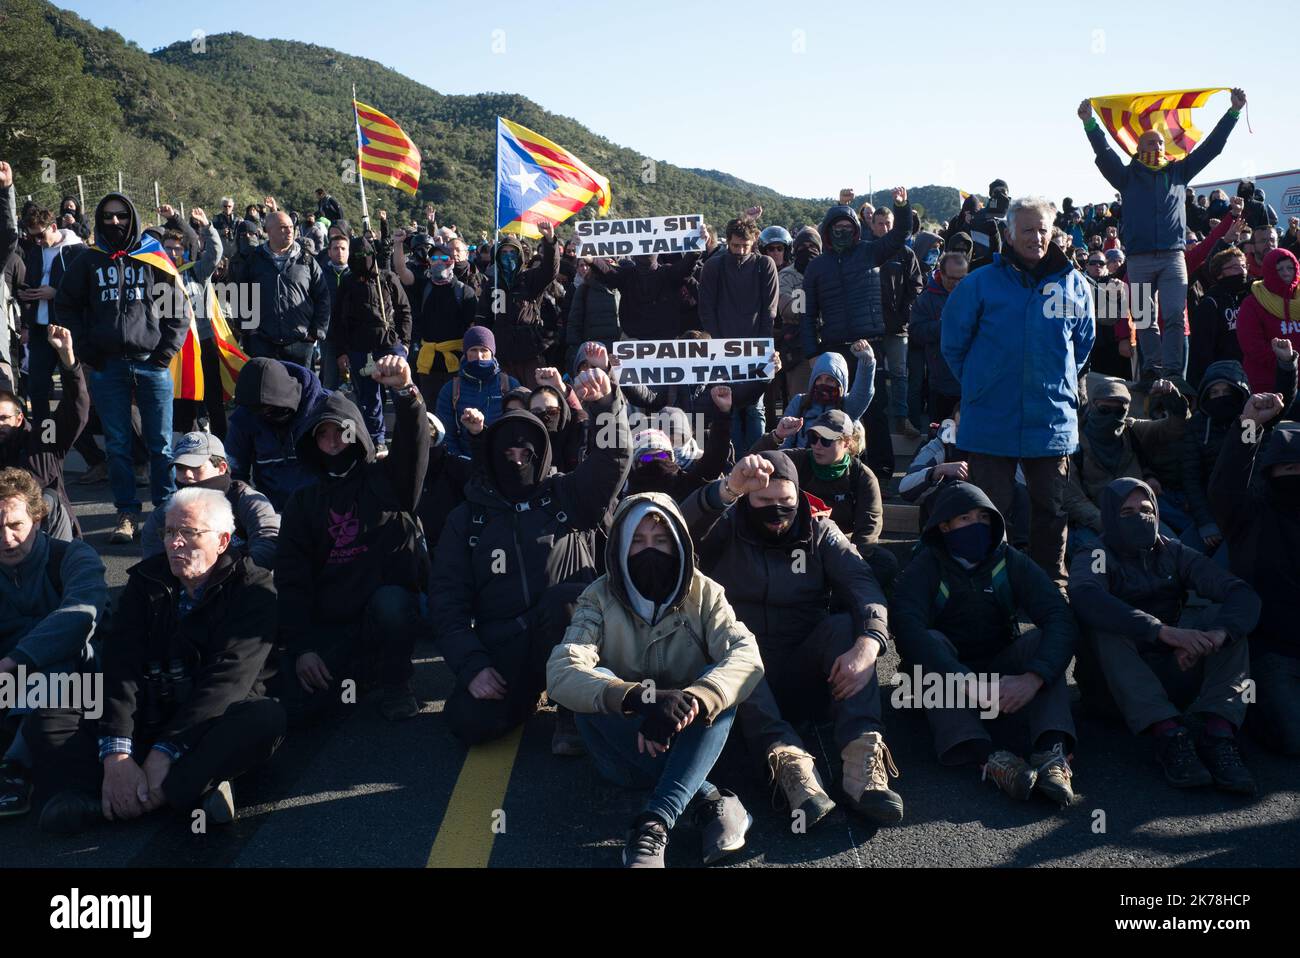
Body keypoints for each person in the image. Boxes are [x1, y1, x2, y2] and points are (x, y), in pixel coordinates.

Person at [35, 487, 285, 834]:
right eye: (169, 532)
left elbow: (227, 682)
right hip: (147, 711)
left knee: (264, 718)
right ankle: (180, 791)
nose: (175, 543)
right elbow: (121, 663)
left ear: (223, 541)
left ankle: (115, 803)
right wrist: (117, 753)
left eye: (188, 533)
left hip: (203, 722)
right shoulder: (146, 579)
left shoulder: (253, 588)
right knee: (55, 700)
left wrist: (166, 751)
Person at [683, 451, 901, 826]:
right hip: (744, 675)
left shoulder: (820, 532)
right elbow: (679, 530)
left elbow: (862, 584)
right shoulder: (727, 525)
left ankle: (860, 758)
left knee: (847, 627)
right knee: (725, 645)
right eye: (764, 501)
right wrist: (726, 489)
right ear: (748, 499)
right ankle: (789, 763)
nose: (776, 511)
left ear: (799, 497)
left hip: (805, 666)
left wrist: (871, 643)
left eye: (785, 502)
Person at [546, 493, 764, 867]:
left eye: (661, 541)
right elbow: (562, 671)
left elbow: (747, 656)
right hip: (624, 751)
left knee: (720, 686)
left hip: (692, 737)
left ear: (679, 543)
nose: (650, 550)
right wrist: (638, 699)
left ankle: (654, 823)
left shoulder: (705, 592)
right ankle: (710, 800)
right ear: (618, 547)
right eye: (638, 541)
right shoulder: (598, 596)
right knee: (591, 682)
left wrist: (694, 698)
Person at [433, 365, 630, 747]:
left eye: (527, 451)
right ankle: (528, 695)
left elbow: (614, 458)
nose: (518, 459)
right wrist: (473, 665)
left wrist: (607, 405)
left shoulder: (567, 495)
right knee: (468, 723)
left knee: (568, 599)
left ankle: (571, 709)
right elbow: (446, 600)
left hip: (573, 637)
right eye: (508, 451)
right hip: (505, 642)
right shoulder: (467, 518)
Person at [891, 481, 1078, 805]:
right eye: (965, 519)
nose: (976, 526)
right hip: (945, 680)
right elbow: (908, 630)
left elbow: (1058, 616)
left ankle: (1051, 752)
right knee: (931, 646)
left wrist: (1032, 678)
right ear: (944, 525)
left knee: (1042, 643)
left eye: (983, 518)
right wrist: (964, 682)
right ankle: (988, 757)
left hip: (999, 673)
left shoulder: (1011, 561)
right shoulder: (924, 565)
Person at [941, 196, 1095, 588]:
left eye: (1043, 229)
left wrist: (1054, 384)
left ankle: (1049, 588)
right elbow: (953, 344)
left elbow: (1082, 345)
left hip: (1051, 419)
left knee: (1052, 510)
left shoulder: (1075, 284)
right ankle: (989, 588)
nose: (1037, 237)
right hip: (990, 419)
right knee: (989, 510)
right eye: (1027, 229)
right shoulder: (978, 283)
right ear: (1009, 233)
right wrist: (983, 384)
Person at [1068, 477, 1259, 794]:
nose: (1139, 516)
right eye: (1127, 512)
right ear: (1111, 515)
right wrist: (1164, 633)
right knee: (1101, 625)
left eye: (1145, 508)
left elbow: (1241, 593)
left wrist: (1215, 637)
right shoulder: (1095, 552)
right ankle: (1168, 734)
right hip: (1113, 690)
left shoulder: (1174, 551)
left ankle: (1219, 734)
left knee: (1224, 620)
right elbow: (1086, 596)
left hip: (1172, 674)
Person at [277, 356, 429, 723]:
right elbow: (292, 580)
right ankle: (362, 671)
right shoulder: (303, 502)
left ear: (356, 433)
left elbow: (413, 450)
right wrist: (303, 647)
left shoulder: (384, 482)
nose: (332, 443)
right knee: (299, 703)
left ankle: (396, 681)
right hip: (332, 621)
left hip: (384, 610)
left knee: (392, 604)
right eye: (322, 434)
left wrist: (406, 394)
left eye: (340, 432)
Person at [1078, 89, 1247, 382]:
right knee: (1144, 318)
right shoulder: (1125, 176)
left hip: (1172, 258)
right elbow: (1104, 153)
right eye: (1150, 142)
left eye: (1159, 141)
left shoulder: (1180, 171)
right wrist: (1090, 124)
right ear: (1136, 148)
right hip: (1139, 259)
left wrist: (1233, 112)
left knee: (1172, 315)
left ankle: (1173, 374)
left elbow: (1211, 148)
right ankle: (1152, 369)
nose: (1156, 146)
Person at [55, 192, 189, 544]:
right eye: (108, 217)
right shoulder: (88, 261)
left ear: (132, 218)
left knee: (160, 444)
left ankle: (165, 514)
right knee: (117, 445)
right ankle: (127, 513)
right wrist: (87, 350)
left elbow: (178, 310)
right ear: (99, 221)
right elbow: (66, 306)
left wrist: (163, 356)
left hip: (151, 365)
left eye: (121, 216)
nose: (115, 222)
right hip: (107, 366)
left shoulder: (152, 259)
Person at [0, 467, 107, 817]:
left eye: (15, 525)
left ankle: (14, 768)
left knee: (61, 656)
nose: (6, 538)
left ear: (37, 519)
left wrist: (13, 661)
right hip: (10, 684)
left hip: (82, 687)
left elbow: (79, 617)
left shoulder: (74, 557)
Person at [1208, 392, 1300, 754]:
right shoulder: (1250, 517)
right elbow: (1226, 486)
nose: (1296, 477)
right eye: (1288, 469)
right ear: (1270, 472)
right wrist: (1249, 425)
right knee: (1292, 739)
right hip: (1272, 652)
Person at [801, 189, 913, 481]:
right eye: (836, 229)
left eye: (847, 228)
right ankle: (841, 470)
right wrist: (812, 353)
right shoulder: (816, 267)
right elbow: (807, 314)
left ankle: (882, 471)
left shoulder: (870, 251)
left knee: (874, 410)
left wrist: (901, 207)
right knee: (835, 413)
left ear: (855, 230)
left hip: (868, 346)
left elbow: (900, 234)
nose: (841, 232)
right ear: (827, 232)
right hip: (834, 350)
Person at [749, 409, 897, 589]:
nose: (817, 445)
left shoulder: (862, 476)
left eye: (826, 440)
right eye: (813, 438)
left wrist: (848, 561)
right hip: (799, 544)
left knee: (885, 563)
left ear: (847, 443)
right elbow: (753, 462)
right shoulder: (798, 460)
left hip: (842, 546)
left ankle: (840, 599)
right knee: (792, 570)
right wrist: (777, 435)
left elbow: (868, 528)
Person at [1062, 378, 1188, 554]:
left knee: (1173, 550)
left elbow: (1174, 428)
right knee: (1096, 557)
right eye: (1104, 409)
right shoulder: (1072, 443)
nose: (1112, 416)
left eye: (1119, 411)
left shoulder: (1130, 429)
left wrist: (1173, 399)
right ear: (1091, 406)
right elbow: (1074, 500)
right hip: (1097, 519)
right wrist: (1112, 524)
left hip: (1140, 511)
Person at [140, 431, 279, 569]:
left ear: (221, 468)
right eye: (181, 468)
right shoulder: (166, 512)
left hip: (241, 583)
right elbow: (152, 564)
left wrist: (234, 576)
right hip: (187, 585)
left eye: (196, 467)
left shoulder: (248, 501)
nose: (187, 475)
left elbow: (268, 543)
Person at [697, 216, 779, 452]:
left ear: (754, 241)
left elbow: (769, 311)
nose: (741, 250)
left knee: (754, 407)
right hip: (722, 350)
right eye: (735, 246)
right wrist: (719, 346)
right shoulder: (714, 266)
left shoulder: (765, 265)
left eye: (746, 246)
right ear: (728, 242)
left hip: (756, 348)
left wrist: (762, 348)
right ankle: (731, 463)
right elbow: (707, 310)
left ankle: (758, 458)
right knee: (727, 407)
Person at [0, 325, 87, 539]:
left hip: (49, 538)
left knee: (48, 498)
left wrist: (68, 358)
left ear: (20, 418)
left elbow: (76, 410)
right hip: (4, 537)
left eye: (4, 418)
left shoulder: (43, 437)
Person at [329, 239, 412, 455]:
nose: (362, 260)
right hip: (359, 348)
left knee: (400, 392)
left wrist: (404, 344)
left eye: (366, 255)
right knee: (368, 397)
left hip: (390, 344)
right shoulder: (347, 283)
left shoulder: (387, 277)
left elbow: (404, 311)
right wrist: (341, 352)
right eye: (357, 256)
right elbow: (337, 321)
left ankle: (407, 437)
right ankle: (378, 440)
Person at [225, 357, 329, 512]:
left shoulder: (329, 408)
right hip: (271, 511)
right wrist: (249, 510)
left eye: (272, 410)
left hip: (323, 508)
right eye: (260, 411)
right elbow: (233, 475)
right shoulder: (244, 418)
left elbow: (351, 465)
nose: (265, 416)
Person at [228, 210, 331, 366]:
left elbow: (323, 297)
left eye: (291, 226)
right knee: (264, 389)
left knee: (301, 389)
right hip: (263, 344)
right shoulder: (254, 260)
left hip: (300, 344)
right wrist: (249, 331)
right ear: (268, 231)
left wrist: (315, 333)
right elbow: (241, 295)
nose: (289, 230)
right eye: (283, 227)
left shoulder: (307, 261)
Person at [16, 202, 84, 426]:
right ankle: (43, 440)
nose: (37, 241)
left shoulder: (77, 251)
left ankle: (84, 448)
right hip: (39, 330)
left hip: (66, 332)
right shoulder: (36, 251)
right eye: (32, 237)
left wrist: (56, 293)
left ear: (54, 227)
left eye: (40, 235)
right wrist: (28, 296)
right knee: (37, 388)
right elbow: (31, 282)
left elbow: (85, 290)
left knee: (72, 389)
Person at [162, 208, 226, 437]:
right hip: (174, 345)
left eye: (176, 248)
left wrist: (207, 226)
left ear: (184, 250)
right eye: (167, 248)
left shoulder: (196, 271)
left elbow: (215, 253)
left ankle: (222, 445)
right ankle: (188, 442)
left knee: (212, 395)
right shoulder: (158, 273)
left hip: (203, 341)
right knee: (183, 396)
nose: (172, 252)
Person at [1179, 361, 1251, 562]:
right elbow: (1191, 477)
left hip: (1246, 513)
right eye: (1214, 393)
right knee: (1182, 558)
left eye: (1226, 391)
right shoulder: (1197, 425)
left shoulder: (1252, 422)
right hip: (1210, 511)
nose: (1221, 397)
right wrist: (1205, 521)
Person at [393, 236, 479, 403]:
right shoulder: (423, 285)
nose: (439, 262)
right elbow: (402, 271)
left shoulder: (465, 292)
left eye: (444, 258)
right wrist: (397, 244)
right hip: (428, 363)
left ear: (452, 262)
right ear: (430, 262)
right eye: (434, 258)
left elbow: (472, 327)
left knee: (456, 405)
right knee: (430, 408)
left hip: (456, 361)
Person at [477, 221, 559, 388]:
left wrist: (550, 241)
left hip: (530, 352)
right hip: (502, 356)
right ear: (497, 257)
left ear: (520, 255)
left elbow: (550, 270)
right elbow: (482, 321)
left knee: (535, 397)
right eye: (504, 253)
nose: (508, 256)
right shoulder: (491, 285)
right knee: (507, 400)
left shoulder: (529, 279)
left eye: (512, 253)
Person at [873, 206, 924, 438]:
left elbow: (916, 287)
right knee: (871, 374)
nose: (885, 227)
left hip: (897, 327)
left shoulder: (906, 253)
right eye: (880, 223)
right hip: (870, 327)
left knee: (899, 374)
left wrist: (906, 314)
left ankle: (902, 420)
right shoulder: (866, 251)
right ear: (872, 225)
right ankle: (873, 420)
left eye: (888, 223)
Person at [433, 325, 520, 462]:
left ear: (492, 353)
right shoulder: (451, 389)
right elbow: (446, 435)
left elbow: (519, 429)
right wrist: (460, 462)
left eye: (484, 350)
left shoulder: (510, 385)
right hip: (465, 462)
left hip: (503, 461)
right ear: (466, 353)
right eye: (473, 350)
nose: (479, 356)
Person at [908, 251, 966, 423]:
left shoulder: (974, 295)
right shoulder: (926, 299)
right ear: (941, 274)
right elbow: (916, 332)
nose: (957, 284)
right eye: (952, 278)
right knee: (938, 436)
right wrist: (944, 326)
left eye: (961, 278)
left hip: (970, 382)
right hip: (941, 382)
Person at [1235, 249, 1300, 392]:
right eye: (1279, 269)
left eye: (1290, 267)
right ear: (1269, 270)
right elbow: (1252, 347)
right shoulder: (1253, 303)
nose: (1286, 272)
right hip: (1269, 385)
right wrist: (1288, 363)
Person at [1188, 248, 1249, 388]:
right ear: (1219, 274)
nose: (1242, 271)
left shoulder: (1250, 296)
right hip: (1222, 379)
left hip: (1249, 373)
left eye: (1244, 266)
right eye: (1235, 267)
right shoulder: (1210, 303)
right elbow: (1201, 350)